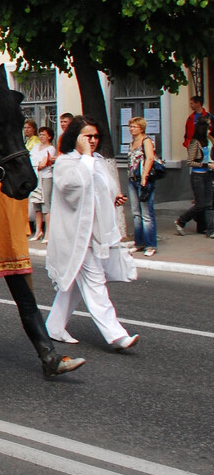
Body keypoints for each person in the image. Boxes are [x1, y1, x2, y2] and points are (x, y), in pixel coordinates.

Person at [0, 149, 86, 378]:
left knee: (27, 299)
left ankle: (49, 357)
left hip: (12, 237)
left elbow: (26, 187)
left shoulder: (15, 154)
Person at [45, 116, 140, 350]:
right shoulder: (67, 162)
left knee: (74, 285)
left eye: (96, 136)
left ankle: (54, 327)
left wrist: (112, 198)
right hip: (77, 235)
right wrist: (86, 157)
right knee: (95, 283)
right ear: (76, 138)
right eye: (88, 136)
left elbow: (99, 191)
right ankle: (117, 335)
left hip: (94, 232)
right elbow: (73, 188)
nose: (93, 141)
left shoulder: (94, 161)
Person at [126, 116, 158, 257]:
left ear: (141, 128)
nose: (131, 129)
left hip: (144, 180)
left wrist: (144, 177)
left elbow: (150, 158)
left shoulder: (146, 141)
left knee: (146, 214)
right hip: (132, 179)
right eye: (131, 126)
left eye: (134, 126)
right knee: (136, 213)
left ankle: (150, 245)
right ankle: (139, 242)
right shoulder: (132, 142)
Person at [175, 115, 212, 237]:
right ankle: (181, 220)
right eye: (208, 127)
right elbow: (190, 162)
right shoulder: (194, 143)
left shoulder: (208, 141)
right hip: (197, 176)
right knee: (200, 204)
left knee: (209, 204)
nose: (210, 129)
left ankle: (210, 229)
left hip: (207, 176)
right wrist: (206, 165)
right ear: (203, 129)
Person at [28, 126, 56, 242]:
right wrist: (36, 164)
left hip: (45, 177)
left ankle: (48, 233)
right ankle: (38, 230)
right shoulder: (35, 147)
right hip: (35, 176)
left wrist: (38, 164)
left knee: (45, 205)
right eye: (40, 134)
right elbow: (30, 160)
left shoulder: (51, 148)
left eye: (44, 134)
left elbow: (43, 163)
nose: (41, 137)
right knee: (36, 205)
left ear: (49, 136)